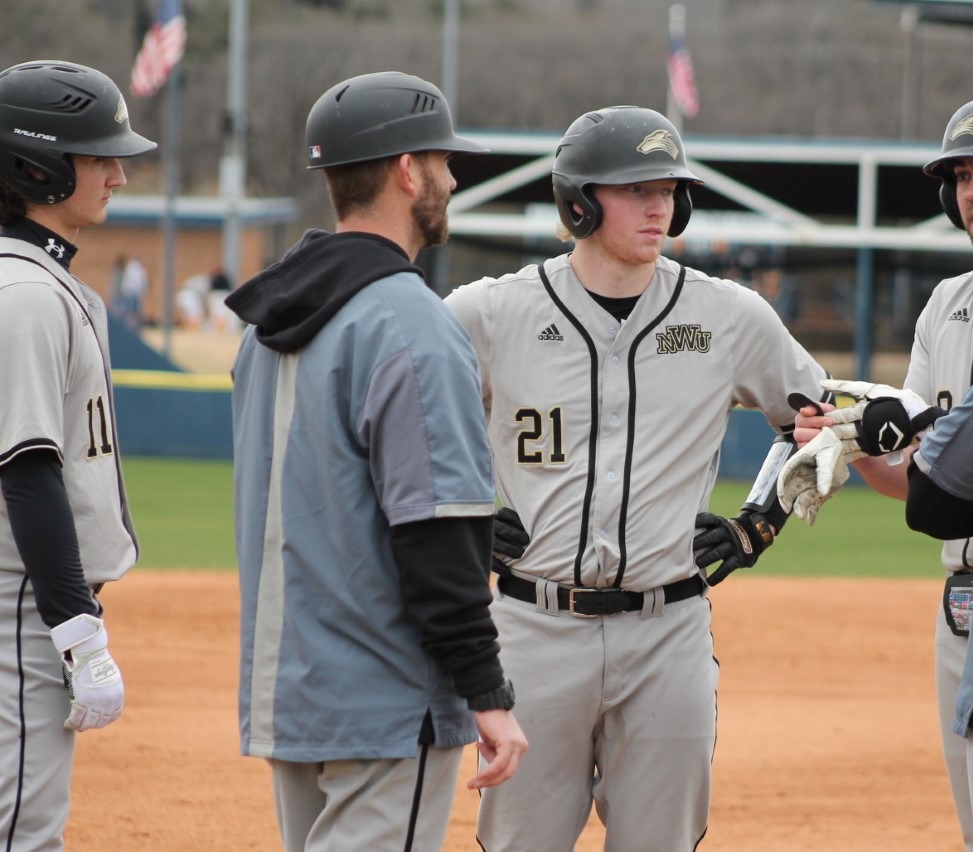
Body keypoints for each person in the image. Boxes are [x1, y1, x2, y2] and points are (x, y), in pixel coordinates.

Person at [443, 105, 829, 850]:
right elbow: (404, 416)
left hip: (668, 632)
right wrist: (461, 515)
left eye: (670, 189)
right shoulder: (491, 313)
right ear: (579, 200)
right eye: (637, 189)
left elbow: (819, 423)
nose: (661, 206)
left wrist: (759, 521)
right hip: (532, 625)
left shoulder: (728, 316)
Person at [224, 71, 527, 852]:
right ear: (404, 170)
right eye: (443, 161)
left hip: (293, 692)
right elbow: (437, 534)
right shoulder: (413, 323)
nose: (453, 179)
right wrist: (486, 693)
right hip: (388, 701)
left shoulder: (265, 323)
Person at [784, 92, 973, 850]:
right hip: (966, 612)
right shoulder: (947, 303)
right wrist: (849, 444)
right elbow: (919, 476)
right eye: (963, 176)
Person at [0, 59, 155, 849]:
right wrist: (77, 631)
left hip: (25, 601)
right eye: (100, 156)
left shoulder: (32, 282)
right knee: (25, 830)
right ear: (40, 166)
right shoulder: (25, 294)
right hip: (19, 607)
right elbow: (27, 474)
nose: (119, 175)